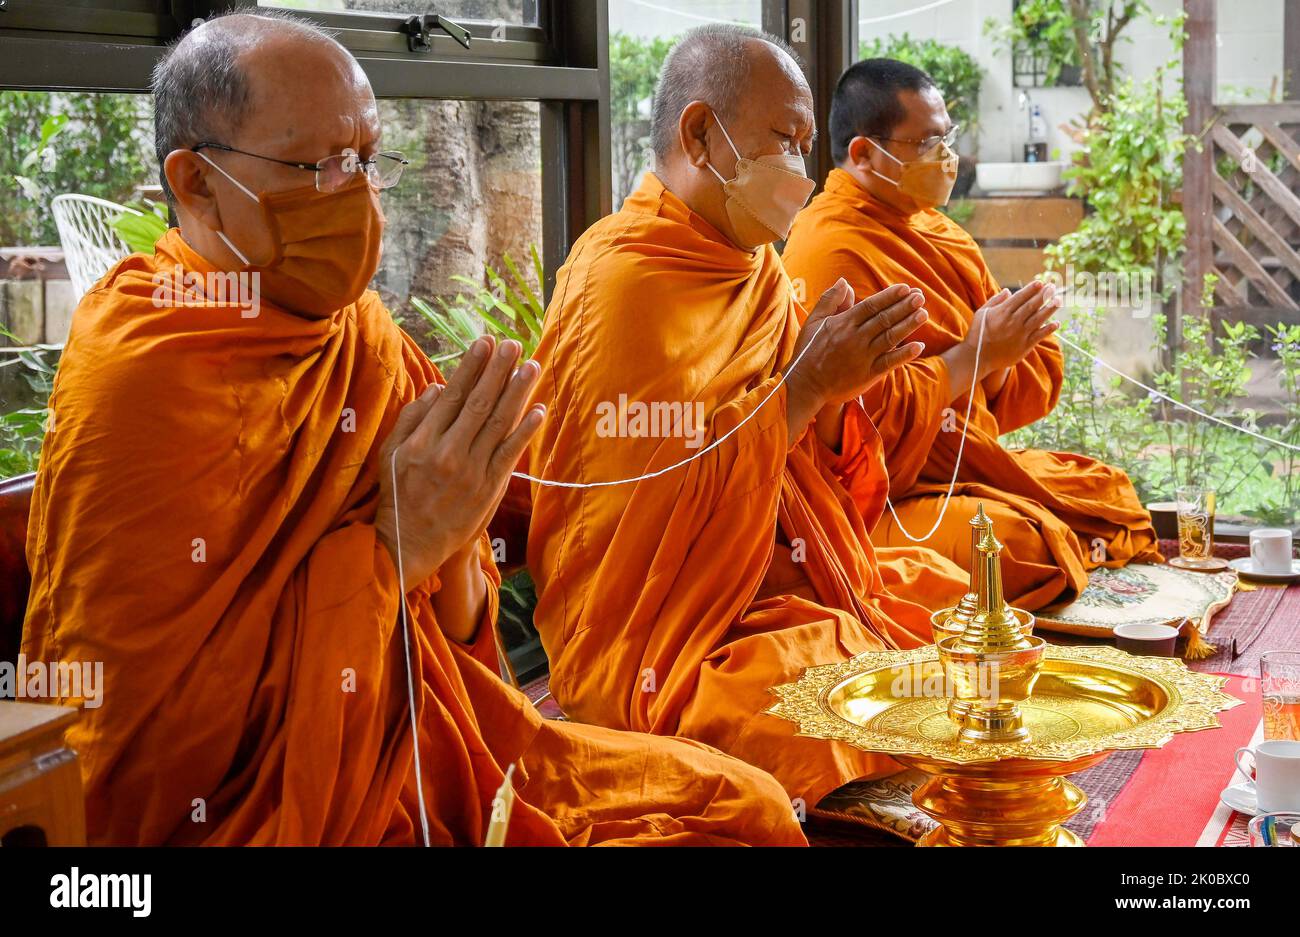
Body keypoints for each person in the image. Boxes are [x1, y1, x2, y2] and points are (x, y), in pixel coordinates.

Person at [19, 11, 805, 847]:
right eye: (318, 164)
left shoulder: (360, 334)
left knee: (743, 805)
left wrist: (451, 538)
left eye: (365, 160)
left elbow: (459, 633)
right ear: (196, 182)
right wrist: (395, 550)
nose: (353, 194)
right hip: (279, 810)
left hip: (428, 744)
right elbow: (145, 754)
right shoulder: (144, 371)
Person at [523, 24, 968, 808]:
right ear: (701, 134)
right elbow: (637, 524)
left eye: (804, 144)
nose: (800, 168)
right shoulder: (625, 284)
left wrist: (831, 396)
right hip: (661, 636)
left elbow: (831, 490)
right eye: (784, 141)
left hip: (776, 588)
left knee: (943, 618)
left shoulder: (756, 266)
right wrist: (799, 392)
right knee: (821, 694)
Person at [781, 58, 1160, 609]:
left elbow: (1005, 402)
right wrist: (976, 356)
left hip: (959, 470)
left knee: (1109, 491)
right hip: (877, 503)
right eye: (929, 142)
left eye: (948, 137)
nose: (948, 157)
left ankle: (1061, 546)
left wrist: (1010, 341)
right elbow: (855, 432)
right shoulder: (830, 251)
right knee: (1015, 546)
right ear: (864, 154)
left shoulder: (938, 230)